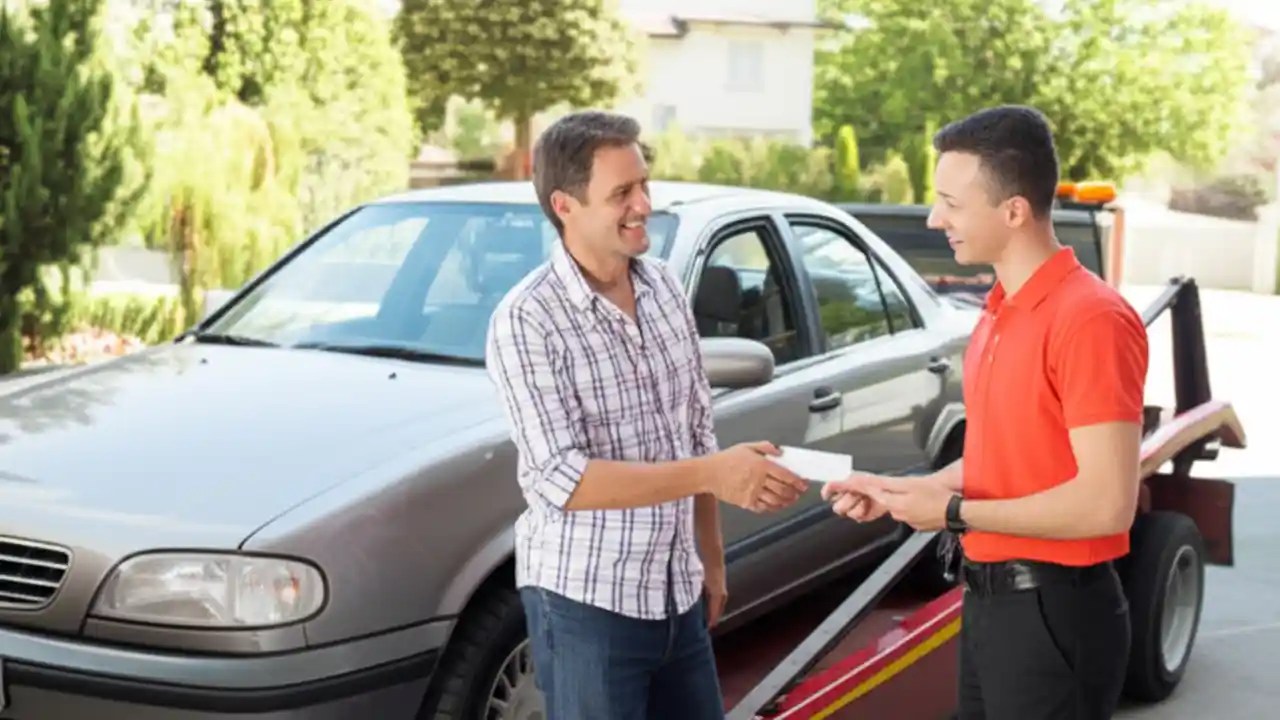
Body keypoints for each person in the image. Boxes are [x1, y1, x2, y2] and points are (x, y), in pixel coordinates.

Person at [822, 105, 1148, 720]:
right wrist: (899, 492)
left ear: (1014, 211)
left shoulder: (1090, 319)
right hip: (991, 603)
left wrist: (948, 513)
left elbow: (1107, 503)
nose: (933, 217)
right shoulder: (999, 309)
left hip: (1054, 612)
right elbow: (1005, 458)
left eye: (950, 202)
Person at [485, 109, 809, 720]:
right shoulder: (527, 320)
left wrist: (710, 561)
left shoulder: (662, 287)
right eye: (622, 193)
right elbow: (563, 479)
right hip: (587, 606)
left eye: (644, 185)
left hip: (677, 595)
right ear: (565, 205)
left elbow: (694, 433)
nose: (644, 204)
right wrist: (713, 474)